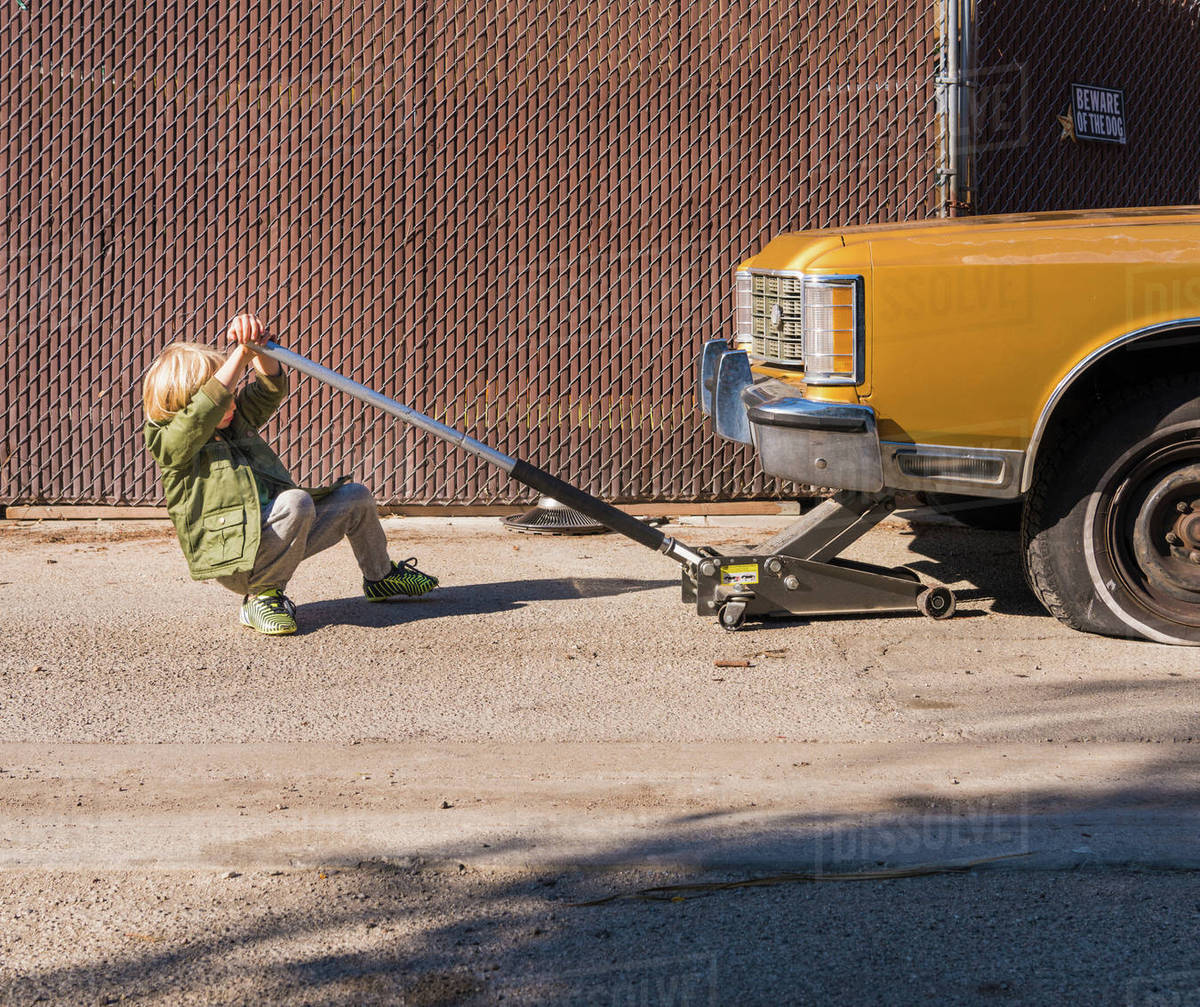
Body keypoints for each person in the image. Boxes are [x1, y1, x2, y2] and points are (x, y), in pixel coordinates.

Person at [141, 313, 437, 635]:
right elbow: (203, 412)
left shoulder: (233, 422)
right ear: (185, 403)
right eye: (224, 396)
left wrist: (260, 348)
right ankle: (262, 597)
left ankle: (380, 577)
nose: (232, 403)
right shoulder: (171, 444)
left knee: (355, 497)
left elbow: (268, 389)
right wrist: (240, 353)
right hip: (237, 560)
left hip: (275, 537)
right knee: (296, 501)